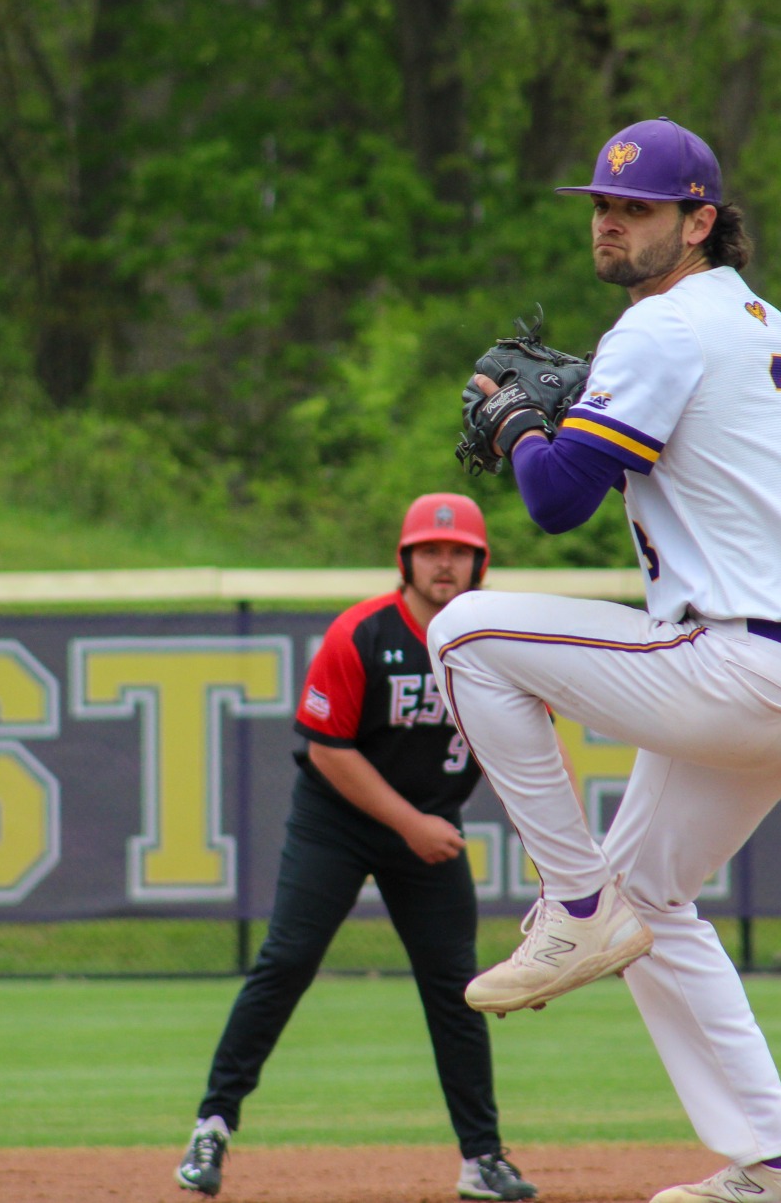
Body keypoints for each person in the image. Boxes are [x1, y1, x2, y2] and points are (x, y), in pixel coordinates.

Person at [426, 118, 781, 1203]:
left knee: (462, 632)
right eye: (600, 205)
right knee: (654, 903)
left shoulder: (660, 329)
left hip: (734, 669)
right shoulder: (758, 323)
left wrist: (529, 421)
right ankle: (776, 1167)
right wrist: (566, 417)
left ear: (699, 221)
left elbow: (555, 500)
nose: (609, 222)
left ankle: (570, 908)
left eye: (637, 207)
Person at [175, 494, 538, 1203]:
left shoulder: (500, 643)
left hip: (427, 829)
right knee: (287, 960)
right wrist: (409, 823)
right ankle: (212, 1122)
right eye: (430, 550)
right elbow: (327, 748)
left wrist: (565, 866)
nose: (445, 561)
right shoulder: (363, 632)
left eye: (458, 550)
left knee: (456, 987)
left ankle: (481, 1157)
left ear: (479, 562)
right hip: (337, 820)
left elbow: (527, 753)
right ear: (405, 560)